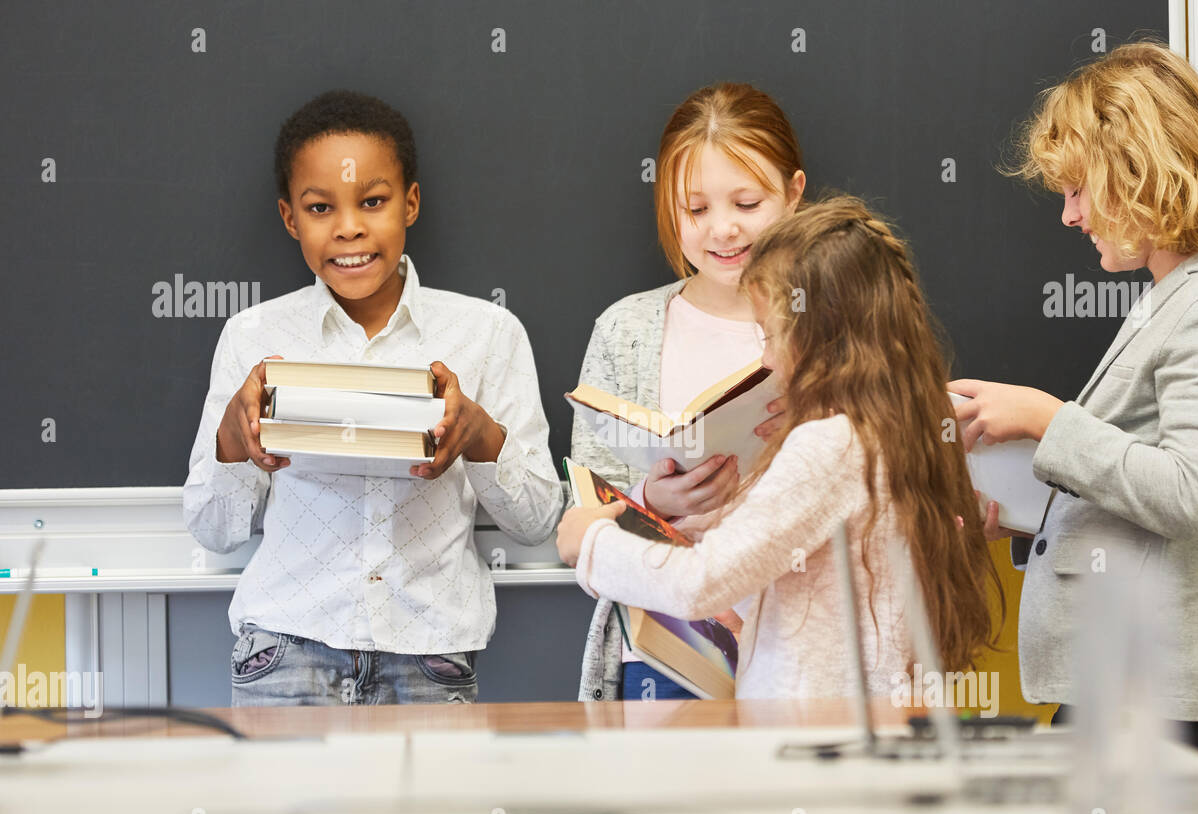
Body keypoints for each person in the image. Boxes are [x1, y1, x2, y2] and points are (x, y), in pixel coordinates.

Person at [954, 42, 1198, 757]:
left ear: (1143, 172)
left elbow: (1190, 495)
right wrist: (1022, 522)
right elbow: (1138, 493)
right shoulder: (1179, 295)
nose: (1070, 215)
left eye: (1078, 189)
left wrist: (1048, 420)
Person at [183, 90, 562, 706]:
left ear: (409, 203)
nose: (349, 227)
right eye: (319, 207)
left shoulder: (488, 334)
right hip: (285, 651)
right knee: (283, 809)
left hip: (430, 656)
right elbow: (213, 531)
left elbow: (538, 521)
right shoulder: (253, 337)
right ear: (289, 218)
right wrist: (233, 438)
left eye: (373, 201)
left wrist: (481, 436)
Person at [559, 195, 1000, 699]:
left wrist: (591, 543)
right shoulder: (891, 428)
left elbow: (700, 584)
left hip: (814, 741)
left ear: (822, 335)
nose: (765, 359)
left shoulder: (830, 444)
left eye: (770, 336)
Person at [571, 82, 806, 701]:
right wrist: (650, 499)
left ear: (794, 194)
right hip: (666, 651)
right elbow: (579, 520)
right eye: (695, 209)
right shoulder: (627, 330)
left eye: (748, 202)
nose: (723, 229)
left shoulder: (837, 329)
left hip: (802, 647)